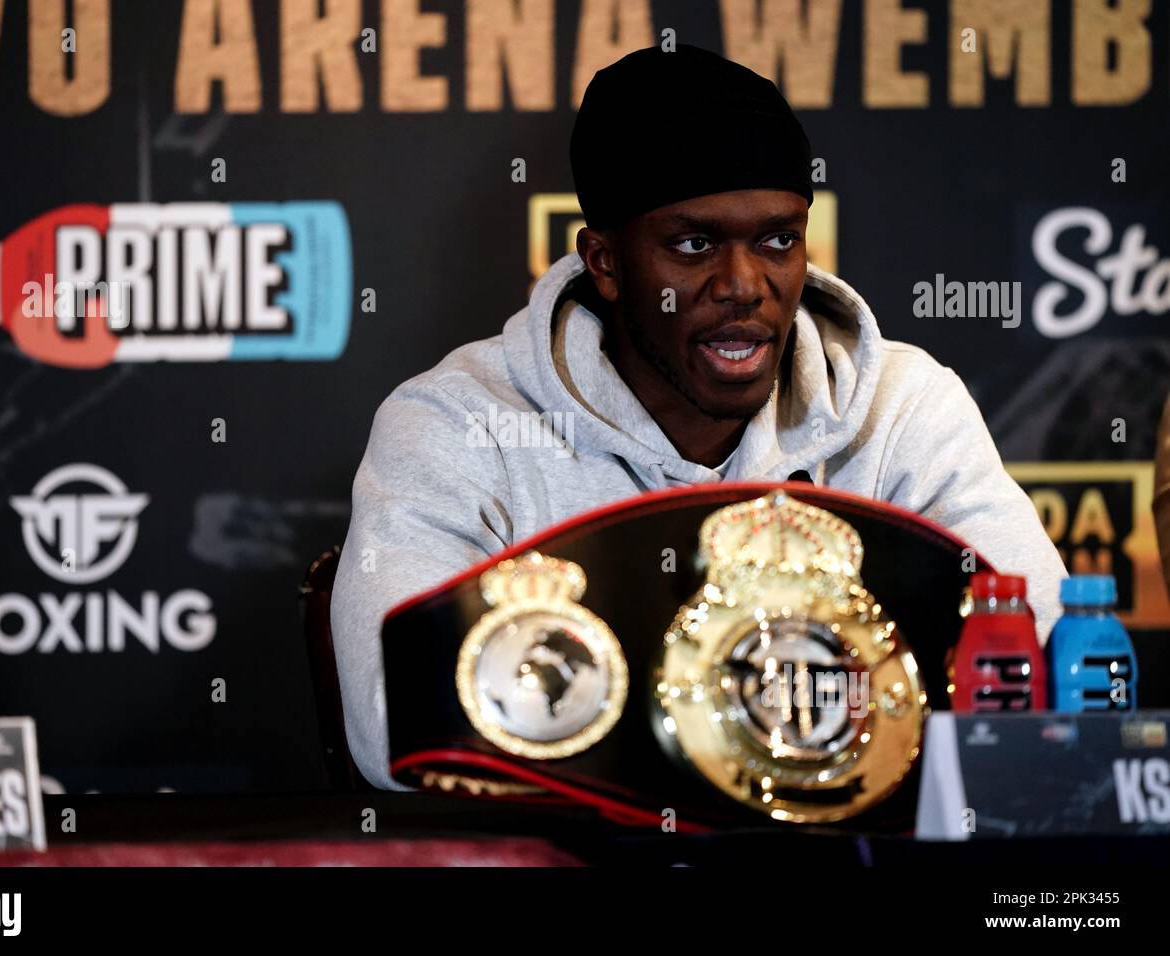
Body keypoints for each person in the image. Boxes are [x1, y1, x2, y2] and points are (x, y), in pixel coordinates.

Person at [330, 44, 1067, 790]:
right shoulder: (458, 424)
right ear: (606, 263)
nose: (745, 285)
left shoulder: (902, 403)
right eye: (694, 243)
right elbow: (401, 721)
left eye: (778, 239)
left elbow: (1038, 657)